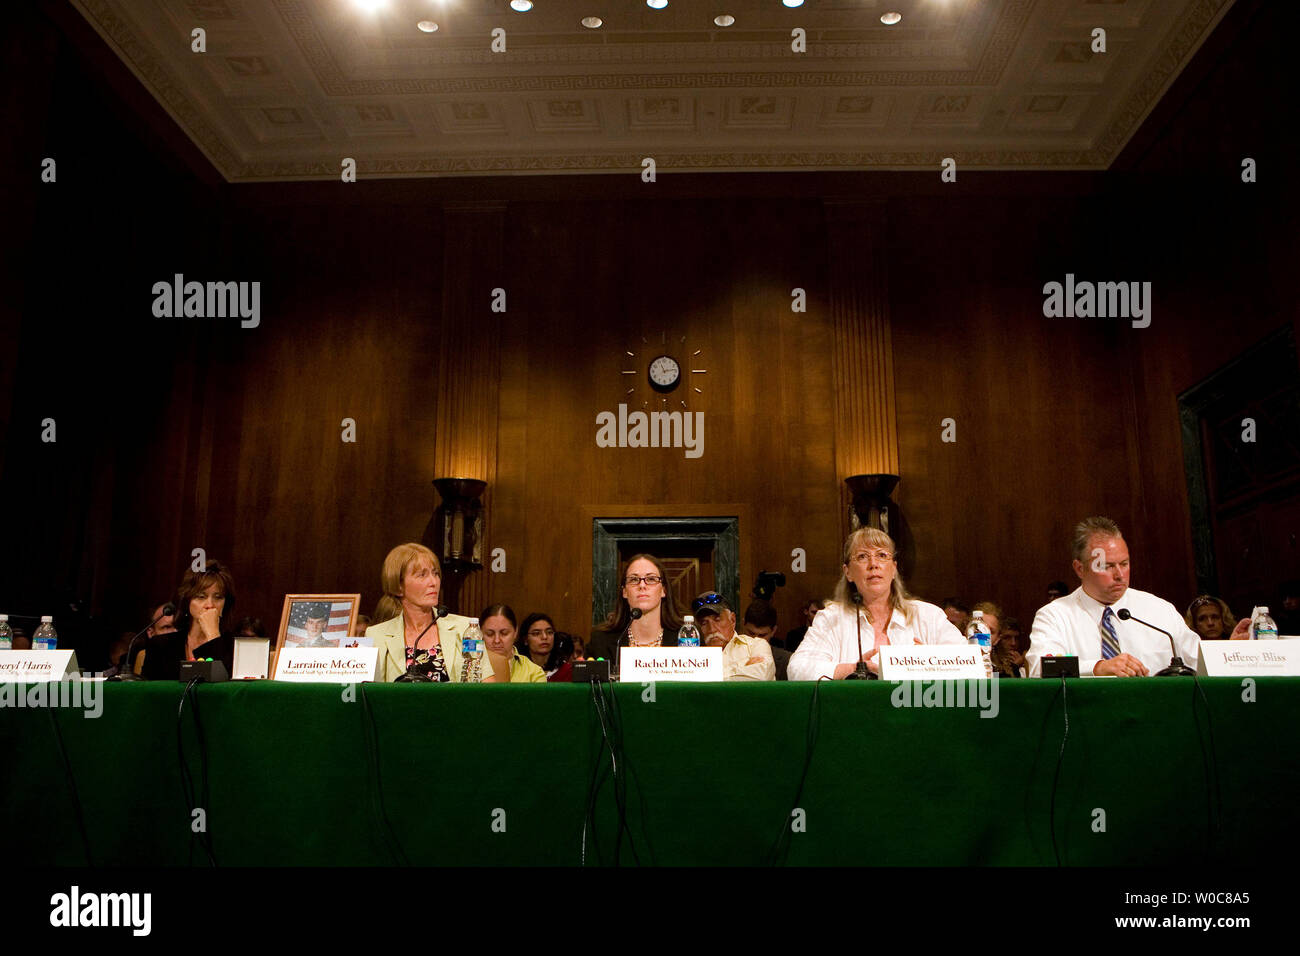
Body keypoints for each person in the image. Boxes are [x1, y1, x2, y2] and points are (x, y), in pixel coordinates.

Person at [1027, 517, 1248, 678]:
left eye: (1124, 564)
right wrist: (1098, 668)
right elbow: (1041, 667)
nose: (1119, 575)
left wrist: (1228, 650)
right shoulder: (1055, 615)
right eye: (1107, 566)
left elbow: (1197, 662)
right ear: (1079, 568)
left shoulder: (1159, 610)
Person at [788, 529, 963, 681]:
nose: (874, 565)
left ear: (894, 569)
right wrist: (852, 670)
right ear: (848, 572)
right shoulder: (831, 618)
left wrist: (928, 662)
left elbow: (970, 663)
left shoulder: (928, 616)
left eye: (882, 555)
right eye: (863, 556)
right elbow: (797, 669)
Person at [365, 543, 496, 683]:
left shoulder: (466, 628)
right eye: (422, 575)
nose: (433, 582)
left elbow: (487, 685)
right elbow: (370, 694)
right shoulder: (376, 635)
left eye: (435, 574)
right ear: (398, 586)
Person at [141, 560, 237, 680]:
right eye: (201, 597)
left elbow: (228, 690)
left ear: (225, 604)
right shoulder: (160, 646)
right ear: (187, 601)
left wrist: (213, 636)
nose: (210, 605)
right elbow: (147, 693)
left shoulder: (236, 648)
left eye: (218, 597)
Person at [587, 554, 685, 670]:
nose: (642, 585)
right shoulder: (601, 641)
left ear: (664, 590)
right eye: (634, 579)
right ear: (624, 592)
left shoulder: (687, 636)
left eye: (651, 579)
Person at [695, 592, 775, 681]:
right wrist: (743, 670)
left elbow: (761, 675)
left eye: (717, 620)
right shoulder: (693, 658)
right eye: (704, 623)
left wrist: (706, 676)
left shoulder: (756, 645)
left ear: (732, 620)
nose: (712, 629)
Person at [481, 604, 546, 683]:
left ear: (515, 632)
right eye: (490, 634)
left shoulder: (534, 673)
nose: (497, 640)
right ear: (479, 634)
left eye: (504, 633)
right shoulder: (469, 668)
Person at [974, 600, 1025, 678]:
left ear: (997, 639)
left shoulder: (1009, 671)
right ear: (967, 631)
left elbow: (992, 689)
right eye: (979, 629)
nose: (983, 635)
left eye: (990, 631)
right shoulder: (953, 666)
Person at [742, 599, 789, 679]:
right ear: (743, 625)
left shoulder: (787, 661)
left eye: (762, 635)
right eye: (751, 633)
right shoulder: (728, 655)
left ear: (773, 631)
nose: (755, 640)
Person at [519, 613, 573, 681]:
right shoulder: (518, 670)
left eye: (549, 632)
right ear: (525, 640)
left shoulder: (567, 671)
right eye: (537, 633)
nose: (544, 637)